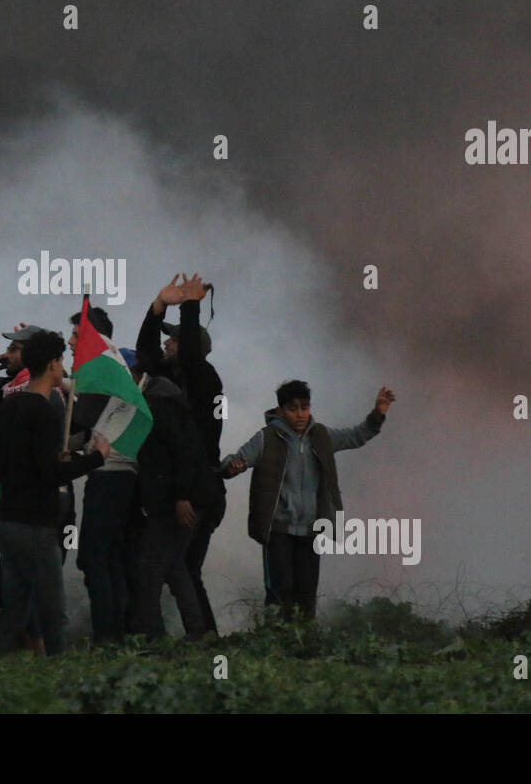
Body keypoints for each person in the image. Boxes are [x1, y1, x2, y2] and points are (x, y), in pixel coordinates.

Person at [222, 380, 397, 620]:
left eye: (304, 407)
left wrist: (377, 414)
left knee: (306, 593)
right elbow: (240, 458)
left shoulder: (321, 436)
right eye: (293, 408)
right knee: (279, 591)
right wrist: (231, 466)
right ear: (281, 410)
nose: (300, 414)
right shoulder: (267, 438)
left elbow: (356, 436)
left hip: (310, 530)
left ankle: (304, 645)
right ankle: (274, 643)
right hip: (278, 529)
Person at [0, 330, 109, 655]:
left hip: (6, 524)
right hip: (35, 525)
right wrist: (96, 458)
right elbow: (51, 474)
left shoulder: (7, 407)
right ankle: (63, 686)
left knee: (13, 611)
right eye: (61, 361)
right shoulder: (44, 411)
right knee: (54, 614)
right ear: (54, 364)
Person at [136, 273, 225, 634]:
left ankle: (173, 638)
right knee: (182, 568)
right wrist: (158, 307)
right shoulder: (168, 380)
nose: (167, 343)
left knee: (164, 567)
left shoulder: (203, 378)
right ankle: (204, 637)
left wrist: (191, 307)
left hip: (195, 487)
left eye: (173, 338)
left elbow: (188, 448)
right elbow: (144, 352)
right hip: (184, 487)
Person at [68, 305, 140, 645]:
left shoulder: (100, 368)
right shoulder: (113, 366)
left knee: (94, 558)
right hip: (121, 478)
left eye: (74, 335)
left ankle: (107, 637)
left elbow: (81, 422)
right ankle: (119, 634)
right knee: (109, 558)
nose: (70, 343)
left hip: (109, 476)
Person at [126, 353, 207, 641]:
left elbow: (184, 451)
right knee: (174, 566)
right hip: (172, 499)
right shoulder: (158, 397)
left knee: (150, 568)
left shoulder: (159, 402)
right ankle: (197, 632)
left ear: (133, 375)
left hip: (176, 501)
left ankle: (152, 636)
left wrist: (182, 496)